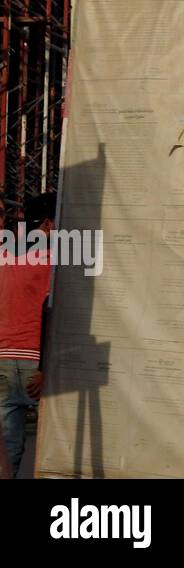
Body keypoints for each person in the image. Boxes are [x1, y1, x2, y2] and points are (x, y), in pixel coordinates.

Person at [0, 193, 55, 478]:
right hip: (37, 362)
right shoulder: (56, 259)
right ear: (48, 224)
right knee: (56, 448)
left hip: (3, 359)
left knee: (7, 450)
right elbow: (52, 312)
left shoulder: (4, 252)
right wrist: (47, 368)